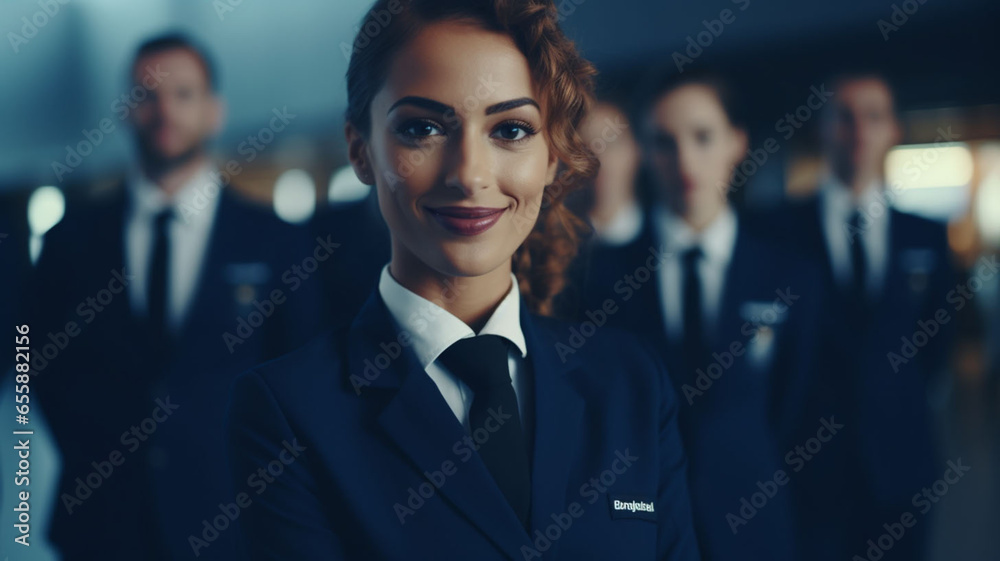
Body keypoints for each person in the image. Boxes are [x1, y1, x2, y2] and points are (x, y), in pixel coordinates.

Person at [226, 1, 700, 559]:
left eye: (511, 129)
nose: (470, 174)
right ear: (361, 150)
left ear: (551, 157)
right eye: (422, 127)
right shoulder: (290, 411)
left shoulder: (632, 383)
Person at [29, 33, 323, 560]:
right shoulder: (69, 240)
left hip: (232, 520)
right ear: (125, 110)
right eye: (146, 94)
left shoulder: (274, 239)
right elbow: (39, 365)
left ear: (213, 111)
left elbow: (299, 376)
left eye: (183, 94)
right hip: (101, 520)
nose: (164, 109)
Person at [573, 68, 828, 560]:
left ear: (737, 142)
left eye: (703, 137)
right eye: (664, 141)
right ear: (645, 152)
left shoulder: (790, 276)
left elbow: (800, 409)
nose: (685, 159)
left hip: (754, 520)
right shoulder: (599, 276)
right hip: (639, 525)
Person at [774, 71, 956, 561]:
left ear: (893, 130)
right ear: (823, 128)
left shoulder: (927, 237)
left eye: (873, 117)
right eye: (844, 116)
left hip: (902, 464)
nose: (858, 131)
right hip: (806, 472)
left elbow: (937, 347)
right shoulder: (776, 233)